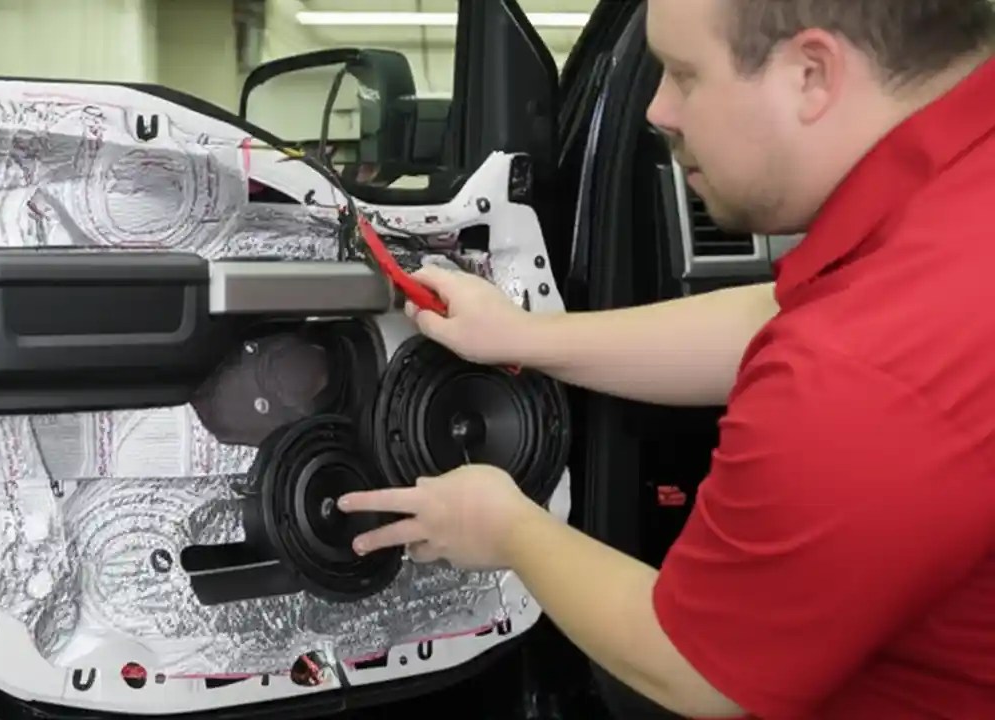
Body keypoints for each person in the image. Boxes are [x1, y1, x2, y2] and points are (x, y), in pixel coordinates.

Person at [338, 1, 995, 718]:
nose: (657, 111)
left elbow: (696, 668)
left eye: (684, 74)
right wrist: (521, 336)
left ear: (812, 74)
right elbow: (779, 314)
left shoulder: (855, 371)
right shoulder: (954, 199)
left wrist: (509, 530)